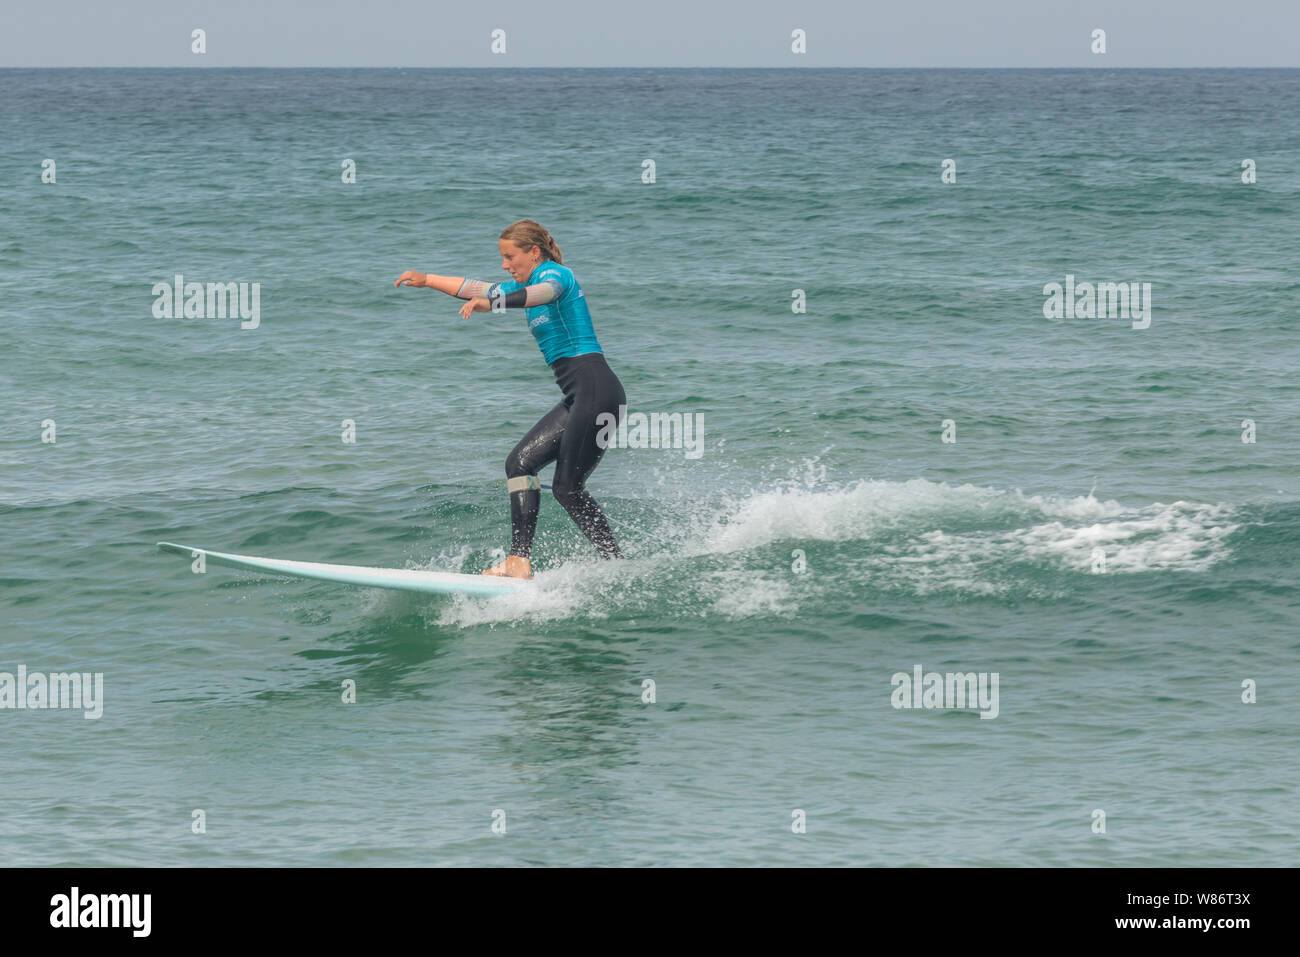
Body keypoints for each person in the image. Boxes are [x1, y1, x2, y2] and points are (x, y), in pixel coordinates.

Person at [395, 219, 626, 579]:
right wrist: (427, 280)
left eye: (509, 257)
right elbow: (476, 287)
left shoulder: (556, 275)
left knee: (567, 487)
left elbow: (541, 295)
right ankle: (524, 561)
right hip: (580, 396)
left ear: (534, 253)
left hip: (597, 391)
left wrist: (495, 302)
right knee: (520, 465)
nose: (504, 265)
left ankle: (612, 560)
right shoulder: (525, 282)